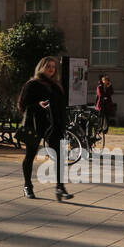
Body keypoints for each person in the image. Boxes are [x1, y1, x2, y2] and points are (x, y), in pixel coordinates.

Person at [17, 56, 72, 201]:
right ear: (41, 67)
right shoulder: (32, 84)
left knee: (59, 156)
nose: (51, 69)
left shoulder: (56, 86)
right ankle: (27, 186)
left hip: (54, 126)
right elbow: (22, 105)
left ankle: (60, 187)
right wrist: (37, 105)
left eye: (53, 67)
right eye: (48, 66)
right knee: (30, 156)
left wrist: (63, 124)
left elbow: (61, 107)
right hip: (36, 125)